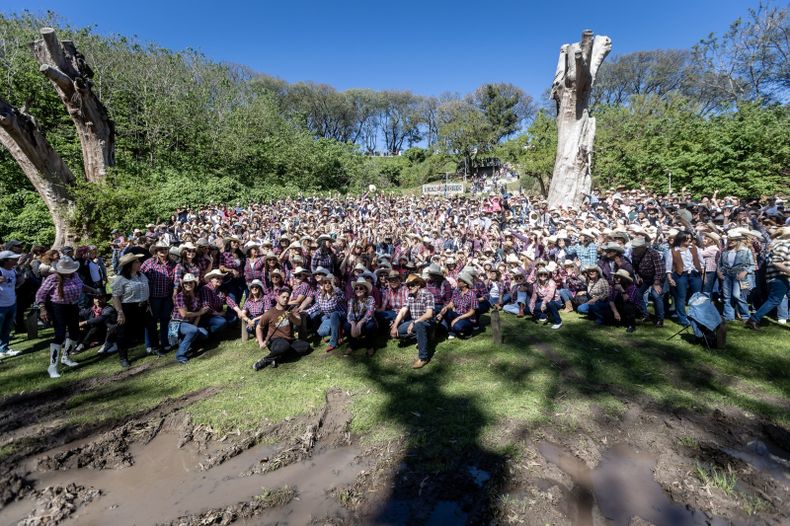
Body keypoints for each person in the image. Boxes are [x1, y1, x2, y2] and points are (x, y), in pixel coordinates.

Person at [36, 256, 100, 377]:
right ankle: (53, 366)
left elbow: (82, 286)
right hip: (58, 307)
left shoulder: (75, 276)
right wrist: (42, 309)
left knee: (75, 333)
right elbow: (41, 294)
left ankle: (66, 357)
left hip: (73, 306)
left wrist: (95, 291)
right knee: (60, 334)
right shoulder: (53, 278)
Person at [111, 253, 158, 368]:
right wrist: (120, 312)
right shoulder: (120, 279)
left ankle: (155, 348)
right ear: (129, 265)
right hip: (128, 307)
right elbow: (115, 297)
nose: (139, 263)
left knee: (152, 326)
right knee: (123, 333)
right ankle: (123, 357)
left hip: (144, 306)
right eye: (136, 262)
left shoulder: (141, 275)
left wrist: (148, 305)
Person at [252, 288, 311, 370]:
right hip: (275, 341)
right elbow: (259, 327)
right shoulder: (270, 313)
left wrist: (291, 316)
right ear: (277, 297)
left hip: (290, 340)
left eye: (287, 297)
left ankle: (277, 358)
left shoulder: (292, 309)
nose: (285, 299)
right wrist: (261, 342)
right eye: (283, 297)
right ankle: (263, 361)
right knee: (283, 345)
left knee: (306, 346)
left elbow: (298, 323)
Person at [746, 227, 790, 330]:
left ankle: (753, 319)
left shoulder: (782, 244)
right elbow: (776, 262)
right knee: (774, 300)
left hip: (783, 278)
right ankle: (753, 319)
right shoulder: (784, 245)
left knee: (775, 300)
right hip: (780, 277)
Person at [391, 274, 436, 369]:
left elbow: (429, 314)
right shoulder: (410, 295)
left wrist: (414, 322)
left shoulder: (427, 294)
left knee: (419, 325)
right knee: (400, 331)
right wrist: (395, 326)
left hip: (427, 322)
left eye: (412, 284)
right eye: (408, 285)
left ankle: (423, 358)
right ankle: (423, 337)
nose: (410, 287)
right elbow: (403, 311)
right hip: (415, 322)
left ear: (419, 284)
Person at [140, 242, 176, 354]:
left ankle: (165, 342)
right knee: (151, 322)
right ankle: (149, 344)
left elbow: (175, 278)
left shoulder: (172, 263)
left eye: (165, 249)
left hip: (167, 297)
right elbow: (141, 277)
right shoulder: (148, 263)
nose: (163, 251)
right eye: (160, 249)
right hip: (153, 297)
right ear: (156, 251)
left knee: (165, 320)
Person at [665, 232, 704, 327]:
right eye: (686, 238)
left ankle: (697, 317)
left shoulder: (695, 248)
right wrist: (670, 278)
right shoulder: (672, 251)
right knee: (681, 297)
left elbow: (702, 263)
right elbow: (668, 267)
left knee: (697, 297)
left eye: (690, 238)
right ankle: (682, 319)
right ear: (681, 239)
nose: (689, 240)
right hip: (680, 275)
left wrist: (703, 276)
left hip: (694, 274)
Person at [170, 273, 210, 364]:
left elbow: (201, 312)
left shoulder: (197, 295)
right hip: (178, 323)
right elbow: (184, 314)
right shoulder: (180, 296)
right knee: (193, 331)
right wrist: (199, 313)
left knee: (205, 334)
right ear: (183, 284)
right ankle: (180, 355)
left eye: (190, 282)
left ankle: (188, 344)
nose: (188, 284)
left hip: (191, 323)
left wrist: (195, 323)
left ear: (194, 284)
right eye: (185, 283)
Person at [718, 231, 755, 322]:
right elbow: (720, 264)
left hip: (741, 277)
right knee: (727, 297)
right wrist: (719, 272)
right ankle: (728, 316)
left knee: (738, 296)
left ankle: (746, 316)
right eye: (729, 240)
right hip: (727, 276)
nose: (730, 242)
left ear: (738, 241)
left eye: (733, 240)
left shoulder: (746, 251)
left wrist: (745, 272)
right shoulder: (725, 252)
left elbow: (751, 265)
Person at [630, 237, 666, 327]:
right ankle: (645, 315)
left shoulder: (653, 253)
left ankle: (660, 319)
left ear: (642, 247)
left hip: (657, 277)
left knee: (656, 295)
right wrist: (637, 275)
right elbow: (634, 267)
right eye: (634, 247)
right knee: (638, 294)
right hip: (645, 278)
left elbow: (660, 269)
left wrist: (657, 283)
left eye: (636, 247)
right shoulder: (634, 254)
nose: (634, 249)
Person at [199, 269, 245, 335]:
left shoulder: (219, 290)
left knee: (234, 318)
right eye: (218, 278)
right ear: (211, 279)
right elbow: (206, 307)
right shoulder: (206, 289)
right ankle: (208, 332)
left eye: (221, 278)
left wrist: (238, 311)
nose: (220, 280)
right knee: (222, 322)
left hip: (217, 315)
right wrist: (219, 314)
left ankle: (219, 330)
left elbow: (228, 300)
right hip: (207, 316)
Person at [437, 271, 478, 338]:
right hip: (457, 313)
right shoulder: (456, 291)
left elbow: (472, 312)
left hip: (467, 318)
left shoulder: (471, 294)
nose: (457, 281)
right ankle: (451, 331)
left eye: (459, 280)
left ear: (465, 284)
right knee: (446, 312)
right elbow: (451, 303)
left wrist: (458, 318)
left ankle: (468, 331)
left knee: (457, 327)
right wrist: (446, 308)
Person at [0, 250, 24, 359]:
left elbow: (17, 284)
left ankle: (4, 349)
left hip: (11, 303)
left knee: (7, 328)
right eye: (13, 259)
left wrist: (21, 280)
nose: (16, 261)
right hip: (1, 305)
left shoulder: (14, 271)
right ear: (5, 261)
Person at [344, 277, 377, 356]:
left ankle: (369, 346)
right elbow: (349, 313)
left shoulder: (370, 299)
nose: (358, 290)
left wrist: (361, 322)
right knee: (346, 325)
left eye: (361, 288)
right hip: (355, 321)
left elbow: (369, 313)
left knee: (371, 325)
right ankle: (352, 345)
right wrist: (352, 323)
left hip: (366, 321)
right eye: (356, 288)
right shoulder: (351, 300)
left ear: (365, 290)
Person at [315, 275, 346, 352]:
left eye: (329, 283)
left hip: (341, 315)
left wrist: (334, 286)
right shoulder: (321, 295)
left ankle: (333, 343)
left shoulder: (337, 292)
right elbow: (316, 306)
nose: (327, 284)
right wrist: (306, 312)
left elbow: (343, 297)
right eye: (325, 283)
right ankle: (338, 333)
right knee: (322, 330)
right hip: (329, 317)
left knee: (334, 314)